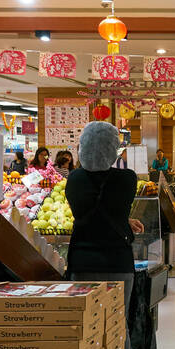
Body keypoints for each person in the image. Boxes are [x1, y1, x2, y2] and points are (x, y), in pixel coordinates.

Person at [65, 121, 144, 321]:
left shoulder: (74, 179)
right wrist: (124, 220)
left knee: (86, 327)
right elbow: (114, 206)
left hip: (82, 262)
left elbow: (90, 209)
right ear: (113, 149)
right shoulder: (127, 179)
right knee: (117, 327)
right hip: (118, 262)